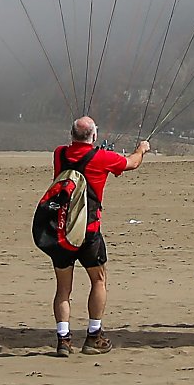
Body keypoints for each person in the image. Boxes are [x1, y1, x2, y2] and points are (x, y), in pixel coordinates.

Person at [46, 116, 150, 356]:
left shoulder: (59, 154)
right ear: (93, 136)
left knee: (63, 289)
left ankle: (63, 340)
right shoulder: (101, 158)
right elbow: (131, 163)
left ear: (71, 134)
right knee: (98, 280)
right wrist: (141, 149)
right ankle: (94, 335)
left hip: (62, 232)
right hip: (89, 231)